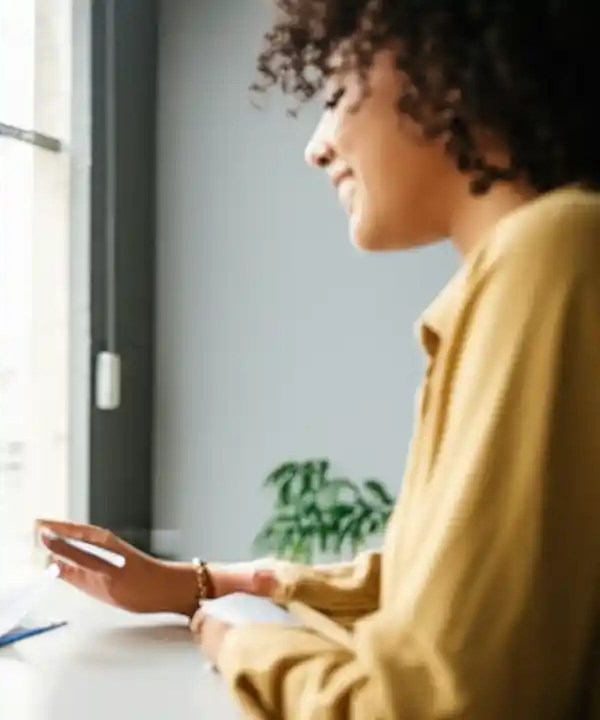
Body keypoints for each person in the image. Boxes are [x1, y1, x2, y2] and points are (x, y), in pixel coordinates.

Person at [39, 0, 600, 717]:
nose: (317, 145)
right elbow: (419, 586)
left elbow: (433, 703)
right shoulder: (541, 260)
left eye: (335, 95)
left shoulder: (549, 259)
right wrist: (199, 584)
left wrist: (241, 642)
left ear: (442, 68)